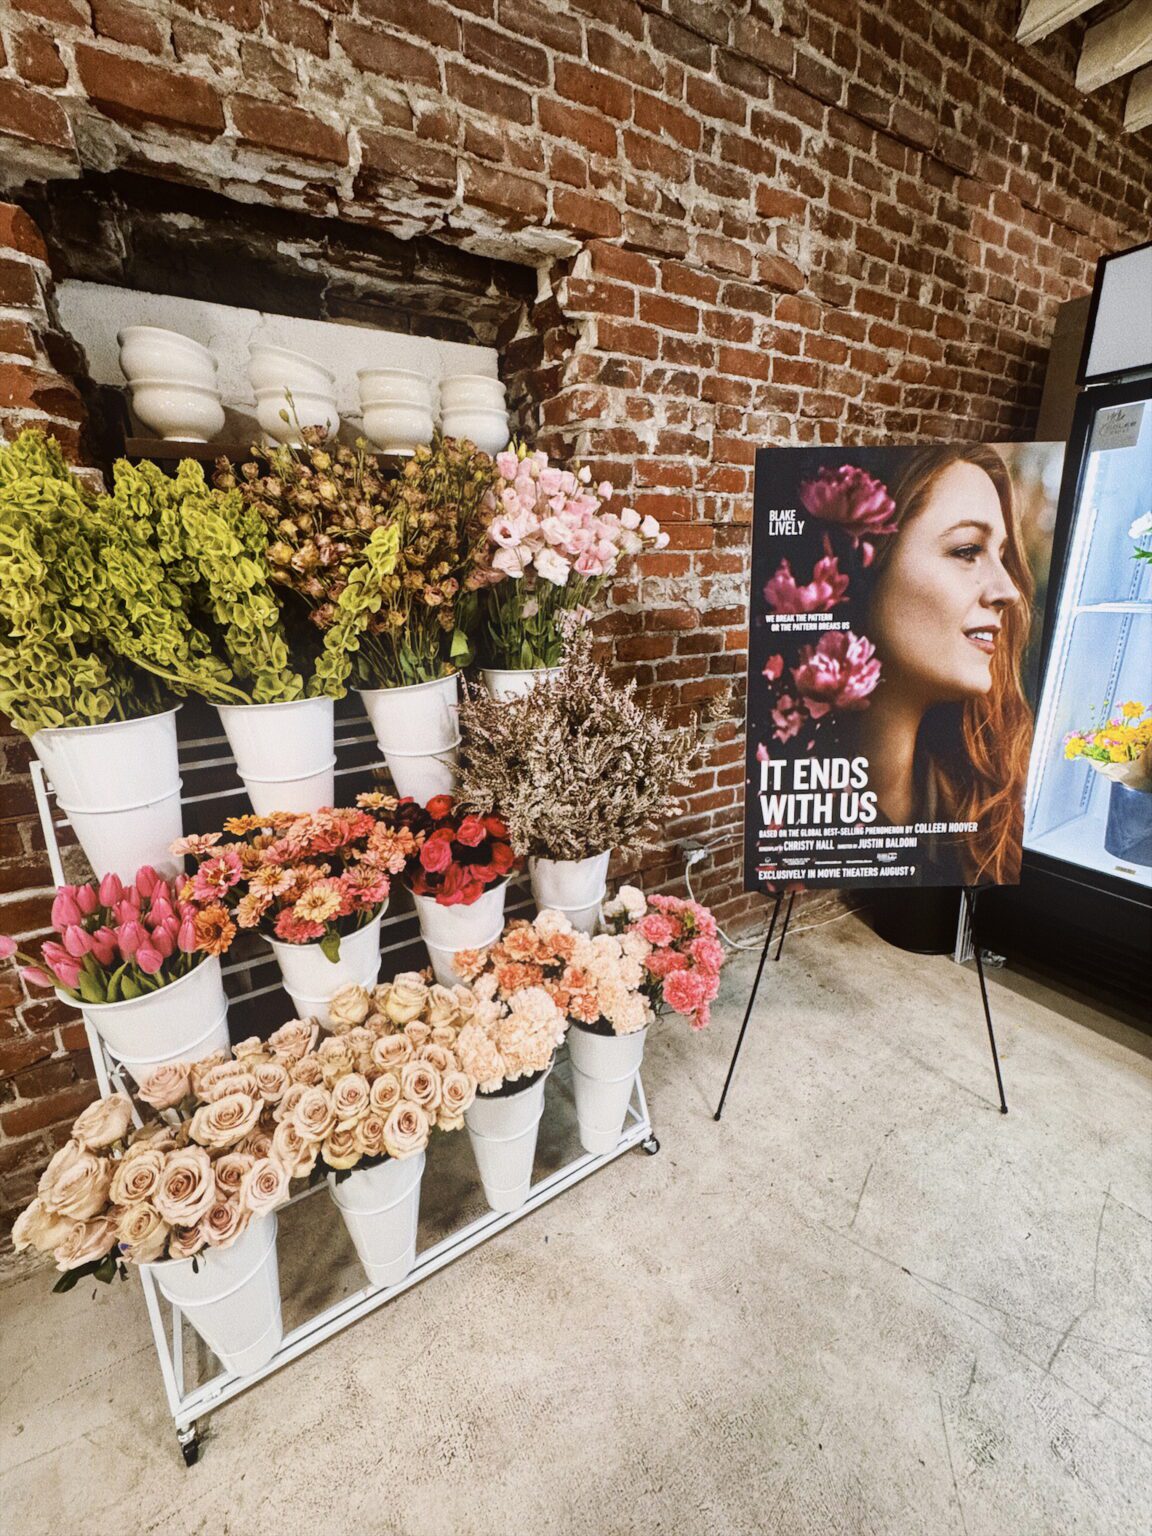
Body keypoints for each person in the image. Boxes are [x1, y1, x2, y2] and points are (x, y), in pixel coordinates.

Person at [851, 444, 1034, 885]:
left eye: (1001, 554)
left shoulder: (988, 797)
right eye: (967, 549)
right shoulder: (795, 802)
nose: (1008, 590)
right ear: (863, 562)